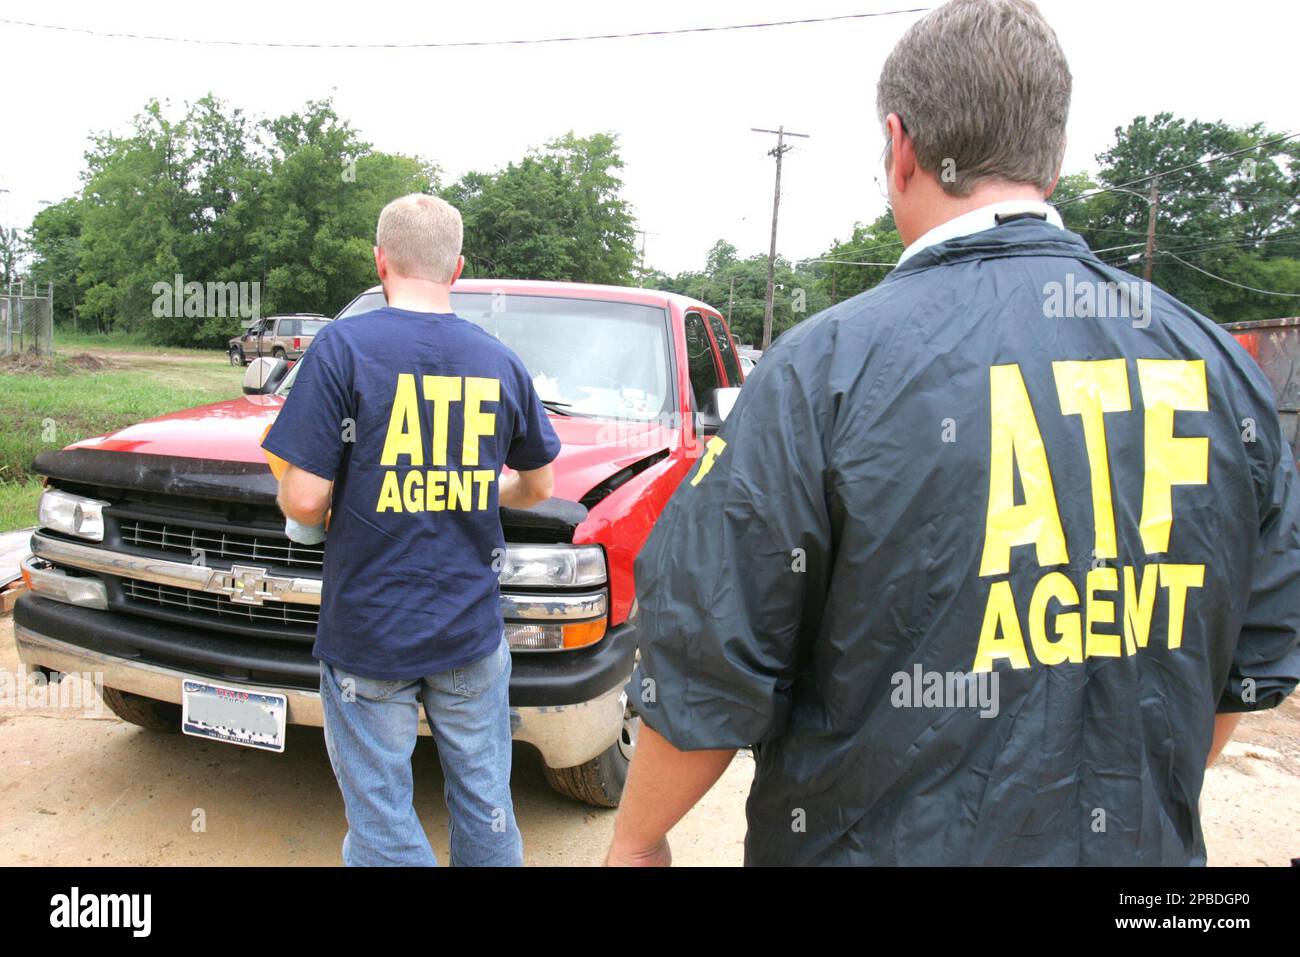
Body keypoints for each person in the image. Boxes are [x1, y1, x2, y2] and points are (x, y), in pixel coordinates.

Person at [606, 0, 1300, 866]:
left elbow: (711, 654)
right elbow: (1246, 656)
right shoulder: (1219, 368)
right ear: (1052, 156)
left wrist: (635, 841)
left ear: (899, 147)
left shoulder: (821, 370)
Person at [264, 194, 560, 866]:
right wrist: (486, 487)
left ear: (380, 261)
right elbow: (539, 484)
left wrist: (326, 492)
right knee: (487, 802)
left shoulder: (343, 347)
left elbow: (306, 500)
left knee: (381, 817)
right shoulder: (498, 359)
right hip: (469, 631)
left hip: (369, 633)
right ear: (457, 267)